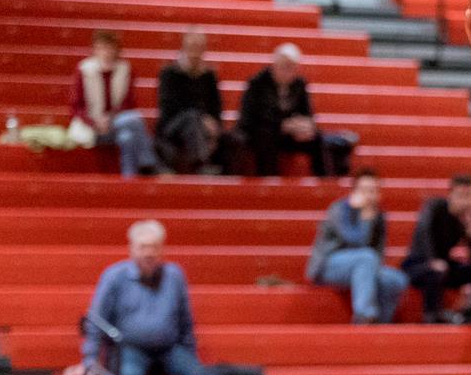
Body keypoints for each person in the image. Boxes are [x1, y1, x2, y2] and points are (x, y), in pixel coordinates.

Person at [63, 220, 285, 375]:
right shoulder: (114, 277)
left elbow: (184, 320)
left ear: (162, 250)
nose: (149, 253)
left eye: (154, 247)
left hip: (168, 349)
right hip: (129, 348)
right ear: (132, 249)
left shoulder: (174, 275)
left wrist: (190, 357)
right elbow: (95, 320)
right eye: (143, 247)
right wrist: (89, 361)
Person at [308, 169, 409, 325]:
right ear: (354, 192)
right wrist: (365, 219)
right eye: (365, 190)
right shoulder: (340, 209)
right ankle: (364, 317)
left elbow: (379, 251)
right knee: (366, 257)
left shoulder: (379, 215)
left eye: (374, 190)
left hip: (365, 266)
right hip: (329, 265)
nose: (369, 195)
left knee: (395, 279)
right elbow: (354, 241)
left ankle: (381, 325)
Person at [401, 173, 471, 323]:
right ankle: (432, 317)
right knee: (436, 271)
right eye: (461, 195)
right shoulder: (435, 207)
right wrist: (431, 260)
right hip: (418, 264)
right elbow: (423, 236)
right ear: (450, 194)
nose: (465, 201)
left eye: (469, 195)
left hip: (445, 266)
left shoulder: (469, 217)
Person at [71, 30, 156, 179]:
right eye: (102, 47)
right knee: (134, 120)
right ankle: (148, 161)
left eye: (109, 47)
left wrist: (110, 119)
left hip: (118, 124)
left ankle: (128, 179)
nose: (106, 52)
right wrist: (95, 122)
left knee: (127, 137)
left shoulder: (125, 69)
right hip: (92, 128)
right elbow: (76, 107)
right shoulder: (84, 70)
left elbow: (129, 104)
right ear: (95, 49)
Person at [238, 43, 325, 177]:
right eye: (284, 66)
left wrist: (304, 125)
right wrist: (281, 125)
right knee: (266, 136)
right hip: (261, 132)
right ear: (274, 65)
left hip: (289, 134)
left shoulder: (299, 84)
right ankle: (269, 181)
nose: (287, 71)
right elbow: (250, 118)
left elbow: (307, 113)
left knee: (316, 137)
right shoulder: (257, 83)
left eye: (291, 68)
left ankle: (323, 181)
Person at [156, 28, 228, 175]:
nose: (195, 51)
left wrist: (215, 128)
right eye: (192, 47)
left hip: (201, 126)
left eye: (199, 47)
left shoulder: (209, 75)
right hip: (173, 127)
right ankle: (201, 164)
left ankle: (231, 185)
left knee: (234, 138)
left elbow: (216, 107)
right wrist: (202, 119)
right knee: (192, 117)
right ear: (184, 47)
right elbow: (170, 108)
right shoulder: (169, 73)